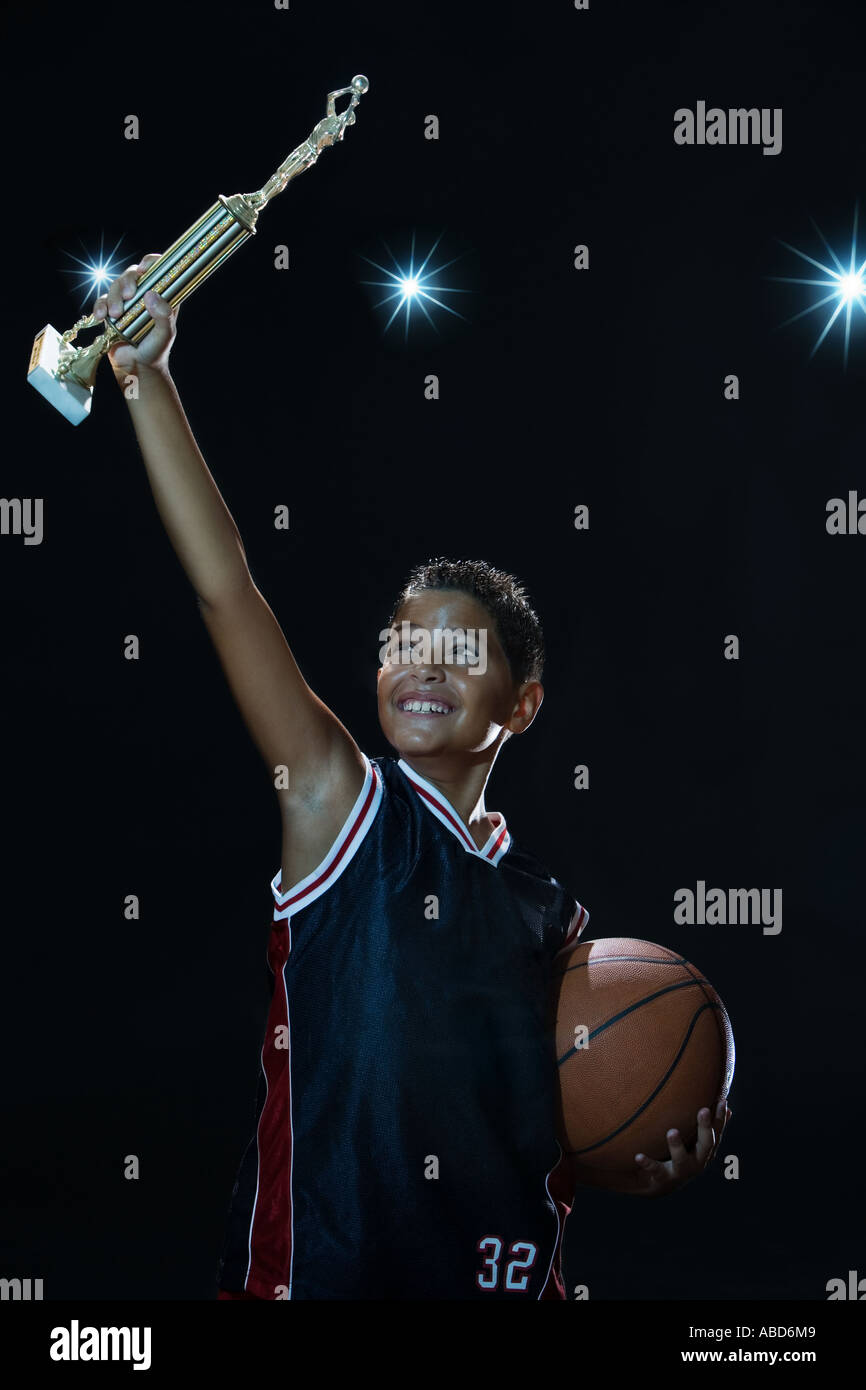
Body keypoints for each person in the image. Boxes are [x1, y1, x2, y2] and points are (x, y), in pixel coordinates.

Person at [92, 261, 731, 1300]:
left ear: (520, 706)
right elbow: (224, 588)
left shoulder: (554, 919)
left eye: (459, 653)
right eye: (400, 642)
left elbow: (568, 1112)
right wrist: (148, 383)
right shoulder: (340, 804)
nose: (420, 665)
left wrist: (651, 1138)